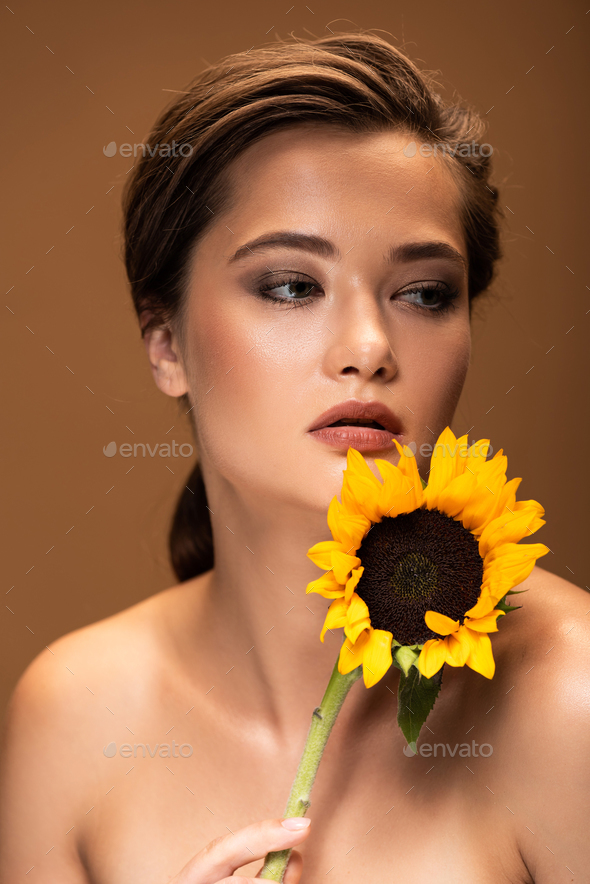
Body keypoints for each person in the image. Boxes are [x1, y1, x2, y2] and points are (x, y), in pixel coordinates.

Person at [1, 32, 588, 884]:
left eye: (424, 293)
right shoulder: (73, 717)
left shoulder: (564, 699)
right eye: (290, 286)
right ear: (165, 342)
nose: (368, 347)